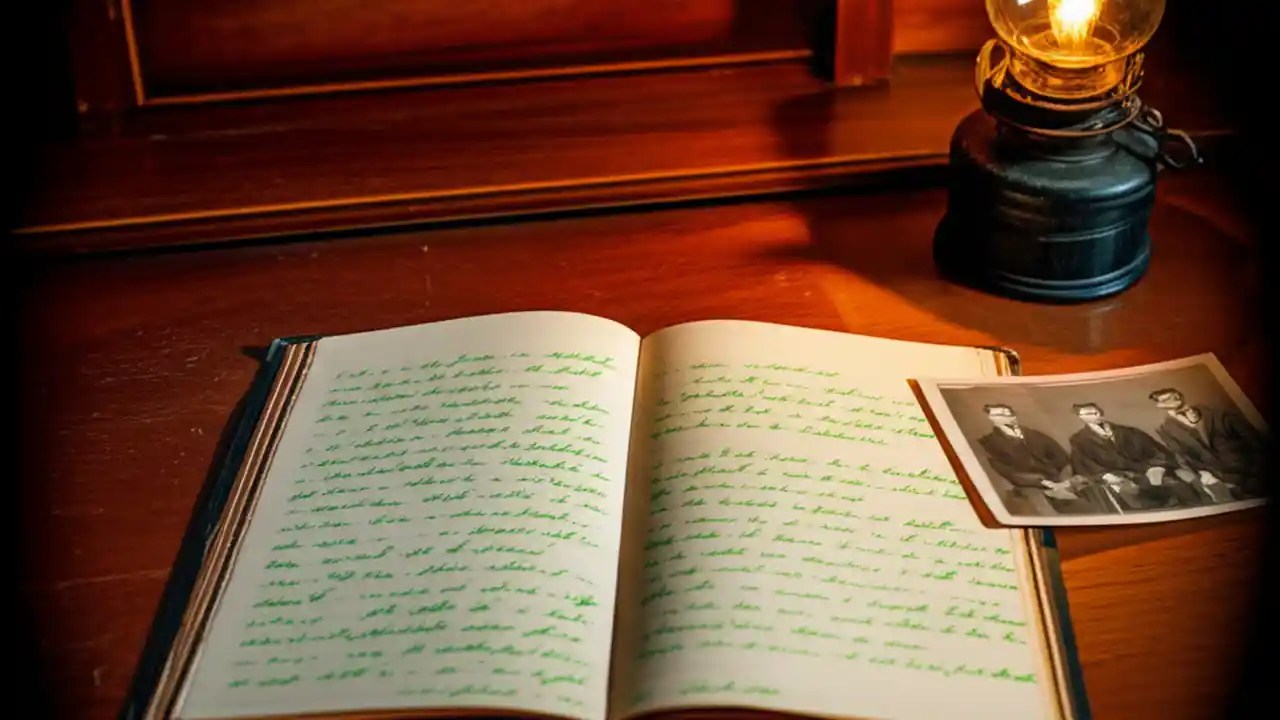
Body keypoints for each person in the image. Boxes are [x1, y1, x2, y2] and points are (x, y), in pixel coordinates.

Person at [977, 404, 1110, 514]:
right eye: (1001, 414)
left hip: (1061, 479)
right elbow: (1007, 472)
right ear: (991, 418)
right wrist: (1043, 482)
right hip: (1032, 486)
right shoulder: (989, 443)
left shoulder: (1034, 434)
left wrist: (1065, 479)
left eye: (1009, 413)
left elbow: (1061, 457)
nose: (1008, 416)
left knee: (1095, 492)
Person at [1067, 402, 1203, 510]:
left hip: (1148, 472)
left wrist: (1157, 467)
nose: (1096, 414)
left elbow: (1158, 451)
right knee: (1134, 496)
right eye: (1089, 413)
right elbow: (1083, 466)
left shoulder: (1129, 432)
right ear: (1080, 417)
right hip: (1117, 479)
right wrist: (1105, 476)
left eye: (1097, 411)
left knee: (1180, 488)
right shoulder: (1079, 441)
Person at [1148, 387, 1267, 499]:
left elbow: (1255, 441)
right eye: (1166, 399)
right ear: (1160, 405)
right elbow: (1183, 457)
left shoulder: (1218, 413)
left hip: (1254, 470)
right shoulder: (1165, 429)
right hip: (1222, 480)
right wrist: (1205, 476)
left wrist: (1257, 470)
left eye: (1175, 396)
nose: (1174, 399)